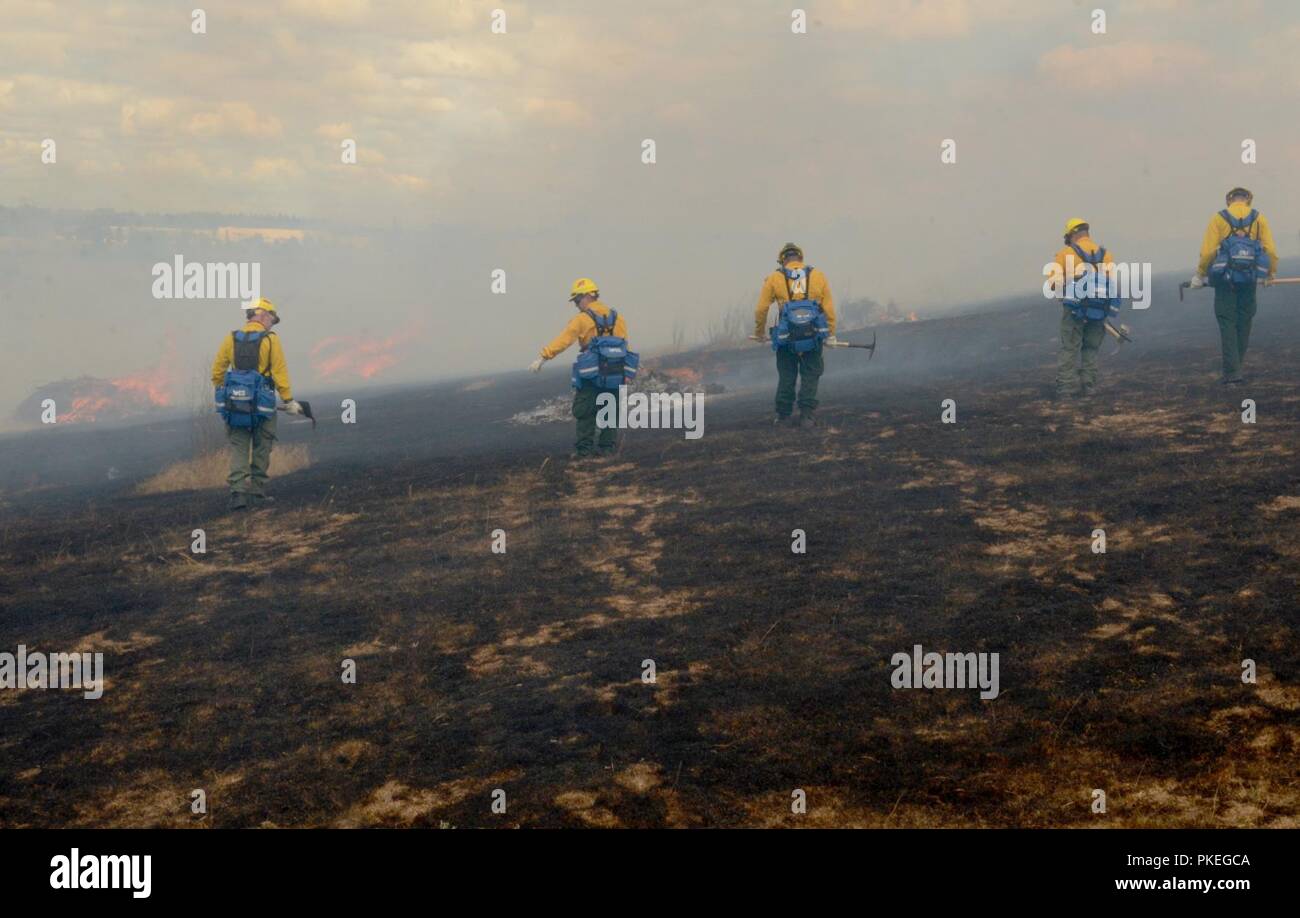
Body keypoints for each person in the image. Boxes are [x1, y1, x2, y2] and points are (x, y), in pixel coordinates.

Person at [529, 278, 635, 459]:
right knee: (610, 409)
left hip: (591, 373)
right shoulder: (618, 318)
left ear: (587, 296)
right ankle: (607, 450)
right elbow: (626, 346)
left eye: (577, 300)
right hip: (615, 373)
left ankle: (584, 452)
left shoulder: (581, 319)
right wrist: (628, 372)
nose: (576, 305)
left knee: (585, 410)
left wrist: (543, 357)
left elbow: (564, 340)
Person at [211, 298, 300, 510]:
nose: (272, 322)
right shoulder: (270, 340)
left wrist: (228, 392)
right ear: (261, 315)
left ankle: (238, 494)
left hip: (236, 405)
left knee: (239, 446)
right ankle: (257, 492)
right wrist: (288, 400)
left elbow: (217, 372)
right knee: (262, 446)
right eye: (271, 318)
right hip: (264, 405)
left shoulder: (231, 338)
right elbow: (279, 373)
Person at [1189, 187, 1278, 384]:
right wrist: (1270, 274)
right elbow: (1270, 250)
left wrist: (1199, 275)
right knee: (1244, 322)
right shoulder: (1259, 218)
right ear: (1248, 200)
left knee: (1227, 323)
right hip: (1249, 281)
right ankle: (1236, 367)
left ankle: (1232, 373)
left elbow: (1207, 252)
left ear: (1229, 200)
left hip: (1224, 283)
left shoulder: (1218, 219)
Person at [753, 242, 837, 426]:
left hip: (786, 338)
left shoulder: (774, 278)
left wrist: (759, 333)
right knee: (811, 374)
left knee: (787, 374)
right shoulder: (818, 275)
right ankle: (807, 415)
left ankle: (783, 416)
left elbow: (761, 309)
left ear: (783, 259)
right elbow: (829, 309)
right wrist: (830, 334)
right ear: (800, 258)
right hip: (813, 336)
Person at [1049, 219, 1119, 399]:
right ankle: (1089, 386)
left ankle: (1066, 388)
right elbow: (1112, 284)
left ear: (1071, 235)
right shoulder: (1106, 255)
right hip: (1099, 310)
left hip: (1074, 309)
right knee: (1091, 348)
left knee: (1070, 348)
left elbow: (1054, 283)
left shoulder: (1065, 254)